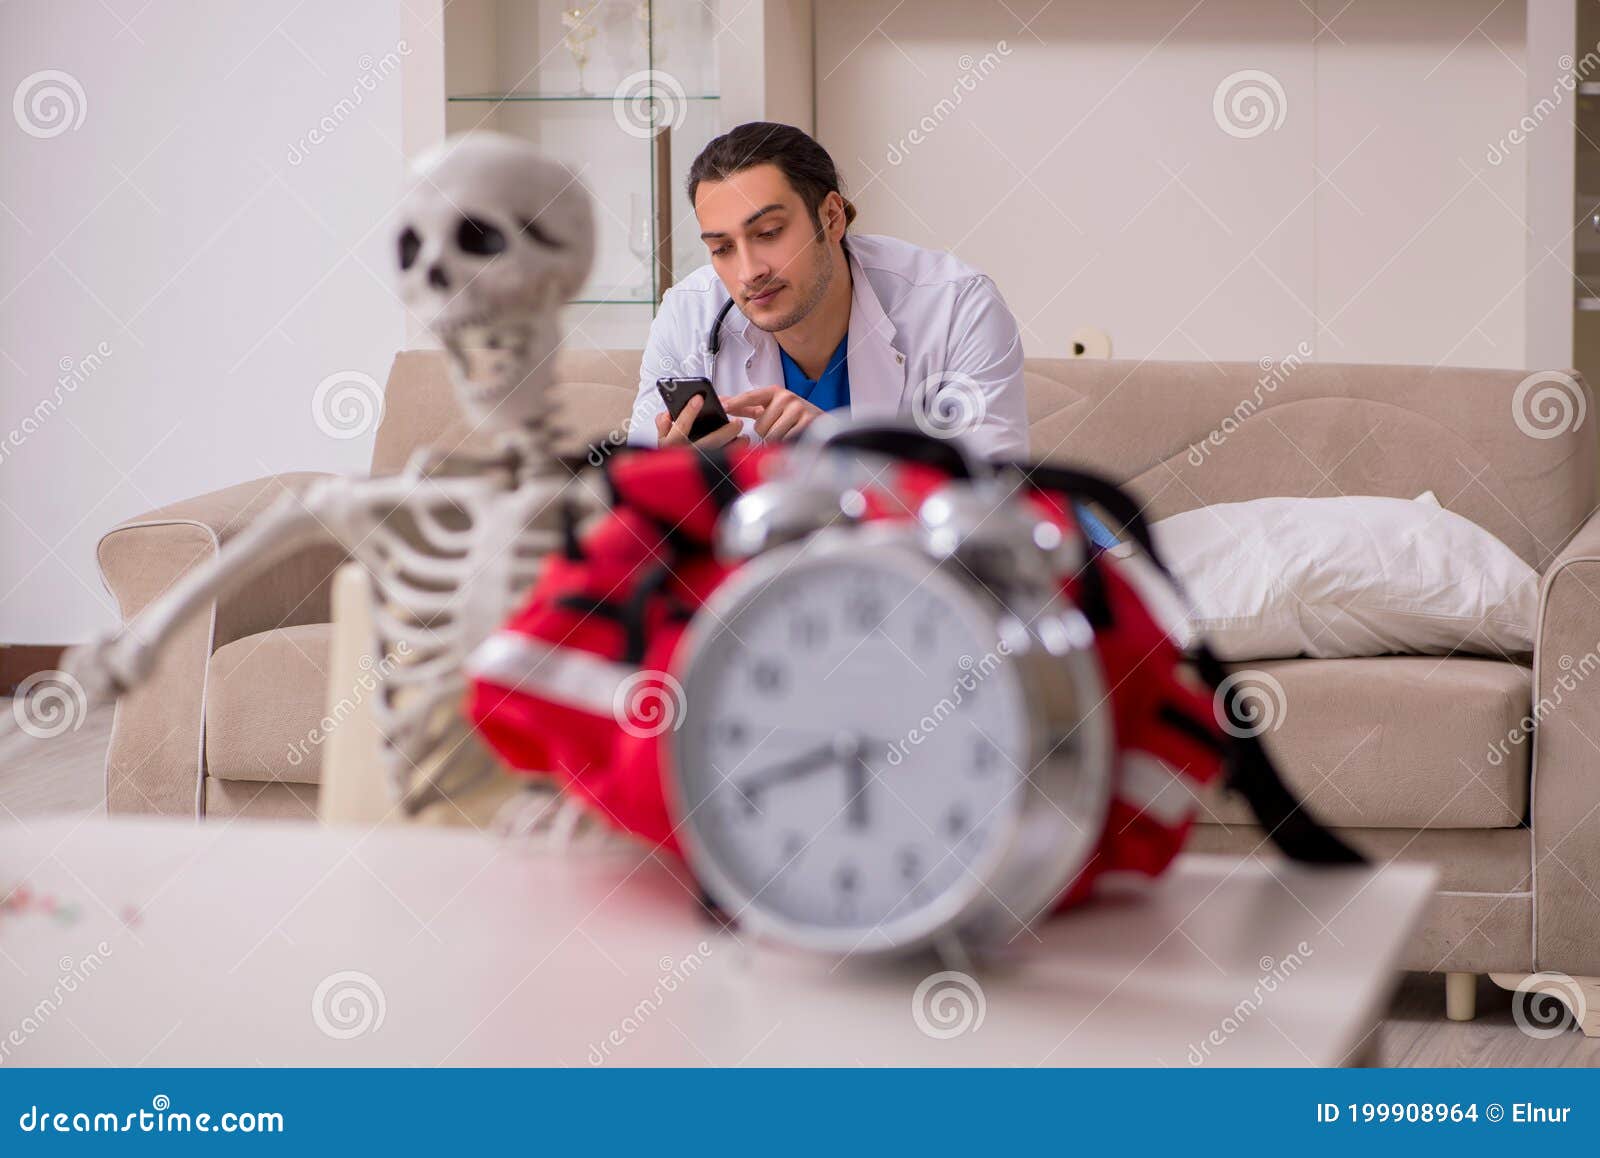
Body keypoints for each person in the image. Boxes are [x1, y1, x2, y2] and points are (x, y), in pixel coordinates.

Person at [625, 121, 1029, 461]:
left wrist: (843, 451)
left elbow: (994, 500)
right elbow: (632, 489)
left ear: (832, 218)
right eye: (722, 248)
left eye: (769, 233)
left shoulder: (957, 306)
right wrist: (677, 475)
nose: (749, 272)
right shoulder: (688, 314)